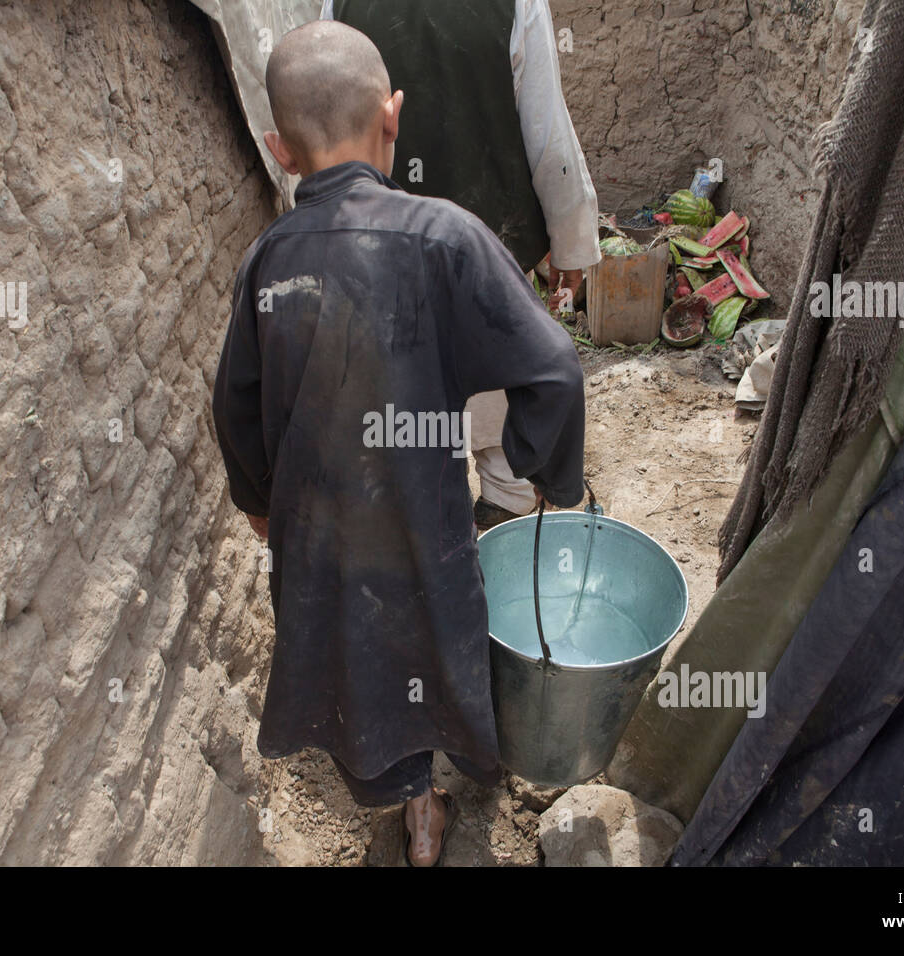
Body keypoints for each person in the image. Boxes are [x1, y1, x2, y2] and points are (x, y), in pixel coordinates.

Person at [211, 20, 586, 866]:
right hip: (427, 525)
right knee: (434, 648)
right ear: (394, 115)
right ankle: (432, 815)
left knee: (358, 665)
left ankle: (407, 804)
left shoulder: (267, 262)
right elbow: (555, 369)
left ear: (277, 147)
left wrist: (264, 508)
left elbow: (232, 409)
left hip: (323, 543)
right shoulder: (444, 236)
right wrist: (536, 466)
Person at [324, 0, 600, 530]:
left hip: (384, 257)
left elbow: (322, 118)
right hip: (490, 252)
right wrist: (571, 244)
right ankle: (502, 519)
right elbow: (545, 130)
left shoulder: (339, 5)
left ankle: (434, 537)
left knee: (412, 424)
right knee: (500, 420)